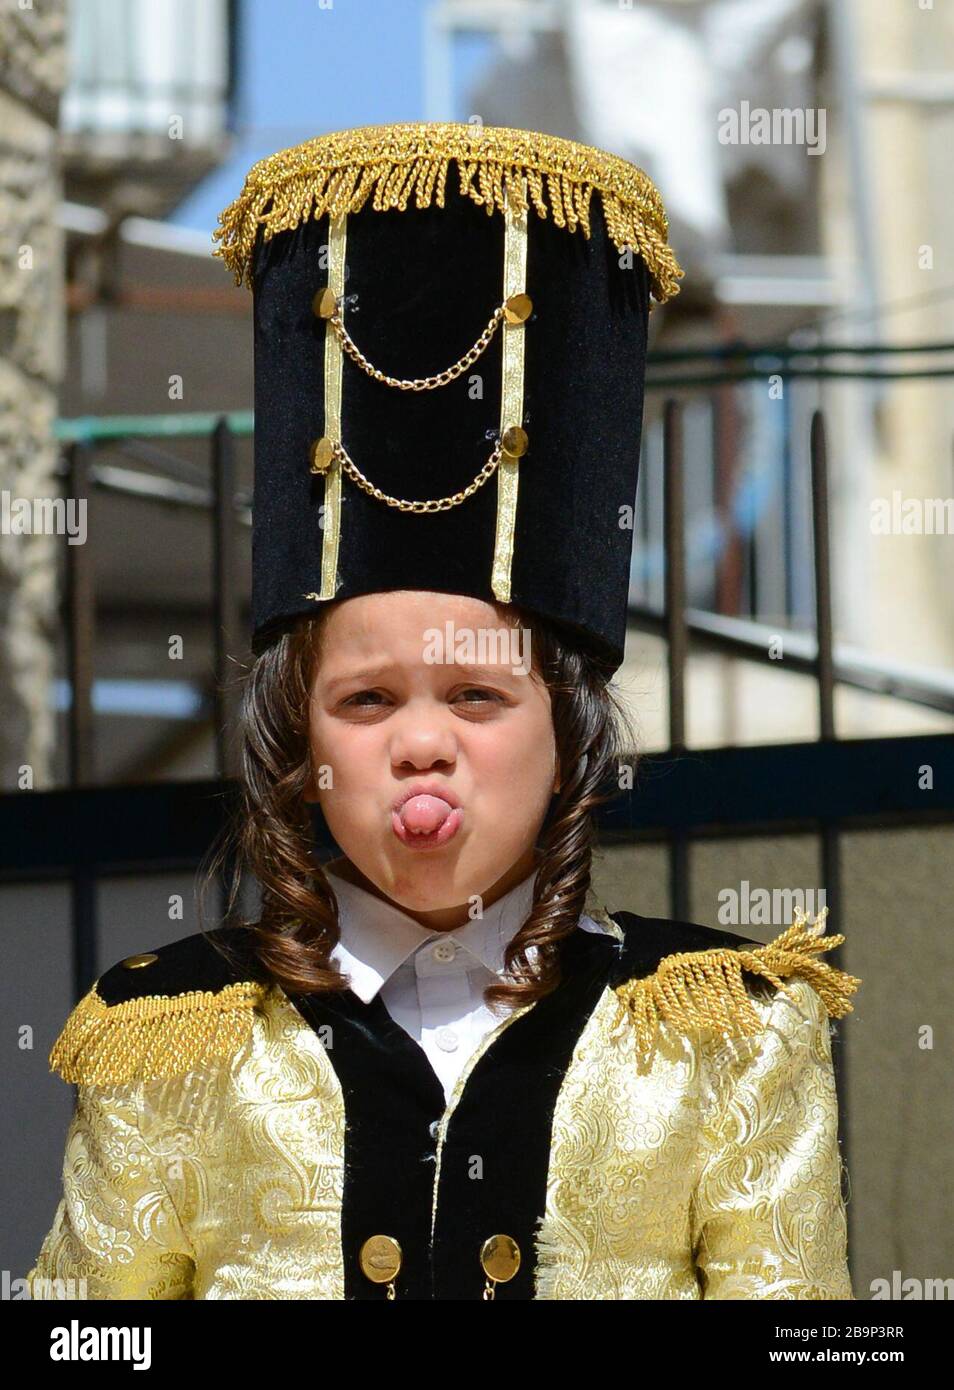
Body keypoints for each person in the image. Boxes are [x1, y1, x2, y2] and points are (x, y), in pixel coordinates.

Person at [25, 121, 861, 1301]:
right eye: (365, 700)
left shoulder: (725, 1040)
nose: (423, 743)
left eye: (477, 693)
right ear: (296, 743)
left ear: (569, 731)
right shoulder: (174, 1037)